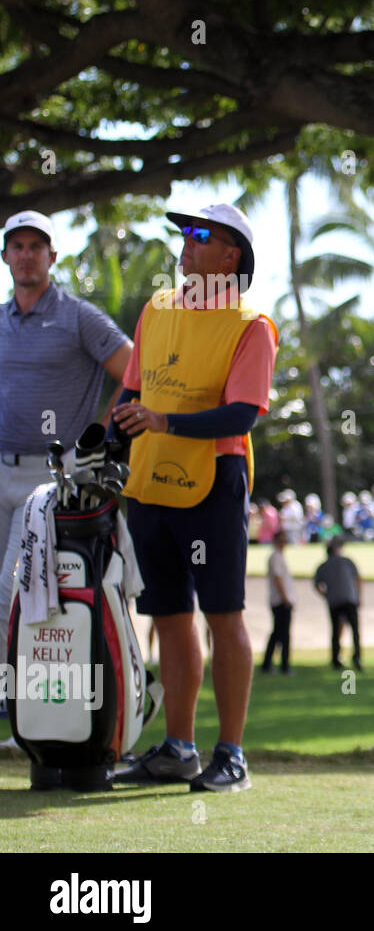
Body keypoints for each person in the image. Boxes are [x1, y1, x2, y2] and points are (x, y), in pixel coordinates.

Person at [112, 202, 277, 793]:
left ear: (231, 254)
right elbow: (131, 392)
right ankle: (178, 748)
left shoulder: (250, 323)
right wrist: (106, 449)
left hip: (213, 483)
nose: (186, 241)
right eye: (183, 232)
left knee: (223, 616)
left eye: (200, 233)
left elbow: (242, 413)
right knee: (170, 617)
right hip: (150, 483)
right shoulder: (156, 309)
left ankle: (230, 753)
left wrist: (164, 422)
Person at [0, 210, 131, 667]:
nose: (27, 255)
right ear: (5, 256)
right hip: (1, 466)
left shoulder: (79, 317)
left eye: (36, 246)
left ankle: (17, 703)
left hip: (50, 477)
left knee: (13, 585)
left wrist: (100, 435)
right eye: (18, 246)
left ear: (52, 256)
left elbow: (135, 372)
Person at [314, 535, 362, 671]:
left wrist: (326, 595)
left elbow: (317, 585)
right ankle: (356, 658)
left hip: (335, 601)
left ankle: (336, 659)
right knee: (355, 631)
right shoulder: (346, 561)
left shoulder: (324, 566)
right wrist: (358, 596)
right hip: (349, 599)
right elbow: (358, 578)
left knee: (336, 631)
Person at [261, 530, 294, 674]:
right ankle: (283, 665)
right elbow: (278, 578)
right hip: (280, 601)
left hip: (281, 600)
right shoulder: (276, 557)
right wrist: (285, 598)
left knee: (277, 633)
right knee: (282, 634)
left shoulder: (279, 557)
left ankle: (268, 663)